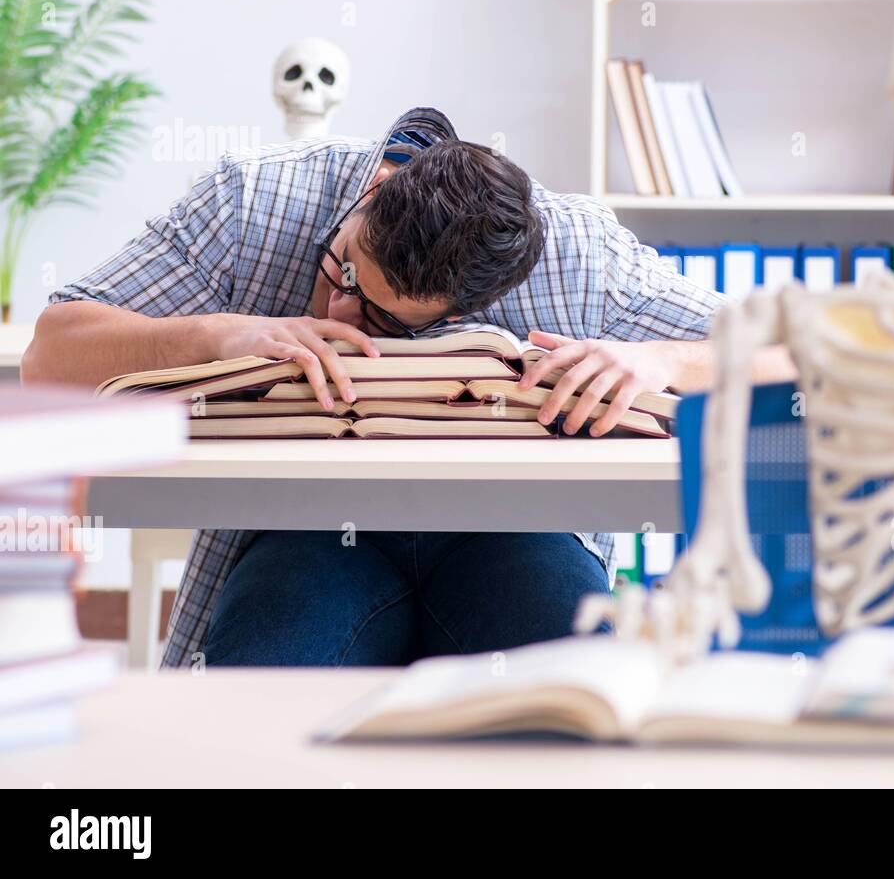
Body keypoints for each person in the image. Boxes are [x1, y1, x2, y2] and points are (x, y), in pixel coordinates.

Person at [23, 107, 786, 667]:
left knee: (575, 698)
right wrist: (216, 333)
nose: (345, 311)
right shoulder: (253, 198)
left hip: (517, 528)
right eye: (341, 267)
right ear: (372, 194)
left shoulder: (582, 253)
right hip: (308, 527)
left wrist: (660, 363)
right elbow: (49, 358)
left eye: (384, 317)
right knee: (257, 688)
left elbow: (795, 356)